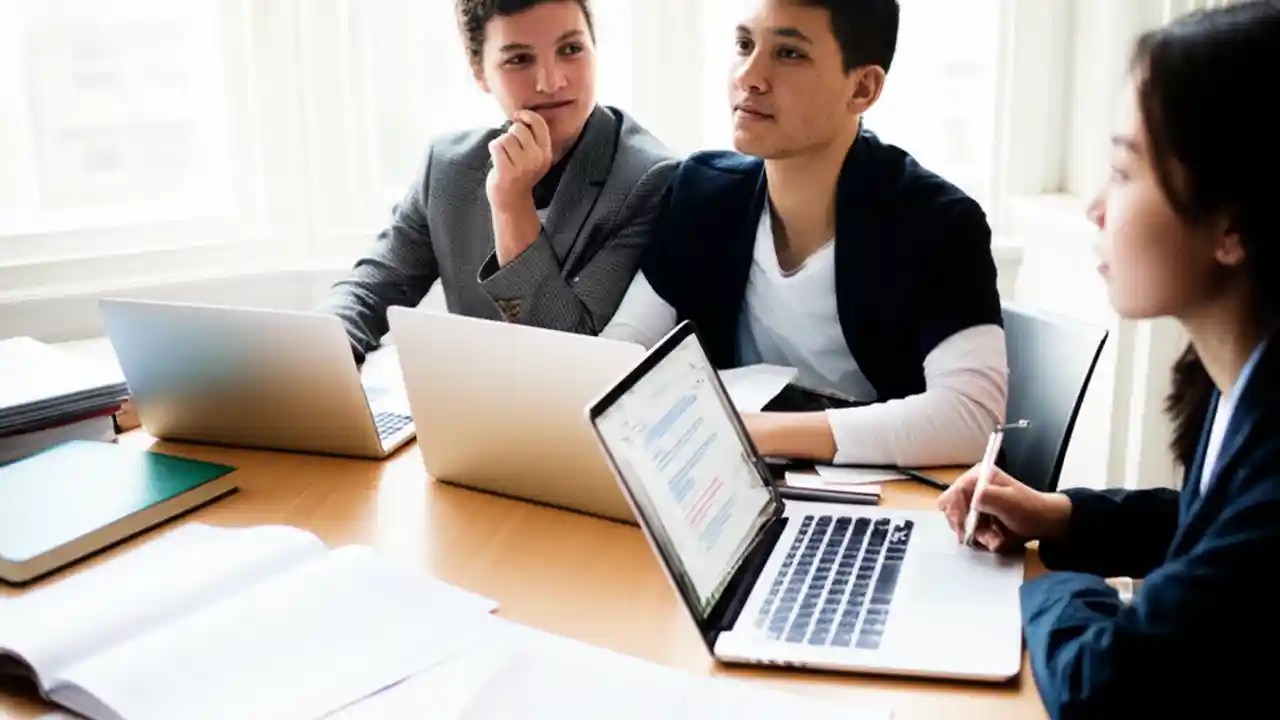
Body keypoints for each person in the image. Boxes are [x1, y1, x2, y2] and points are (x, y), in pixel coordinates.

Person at [937, 2, 1280, 716]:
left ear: (1231, 224)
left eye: (1125, 172)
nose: (1096, 207)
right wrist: (1057, 517)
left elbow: (1105, 688)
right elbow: (1208, 529)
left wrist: (1036, 585)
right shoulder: (1242, 379)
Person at [600, 0, 1007, 469]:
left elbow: (974, 419)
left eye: (789, 53)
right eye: (744, 45)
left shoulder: (938, 222)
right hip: (728, 486)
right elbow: (622, 354)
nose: (749, 76)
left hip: (885, 500)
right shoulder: (703, 191)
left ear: (862, 88)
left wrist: (755, 432)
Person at [323, 0, 677, 364]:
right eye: (519, 59)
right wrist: (313, 361)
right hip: (467, 407)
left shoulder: (650, 180)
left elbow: (565, 360)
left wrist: (511, 204)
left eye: (571, 49)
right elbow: (373, 286)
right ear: (479, 71)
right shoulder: (447, 167)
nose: (551, 81)